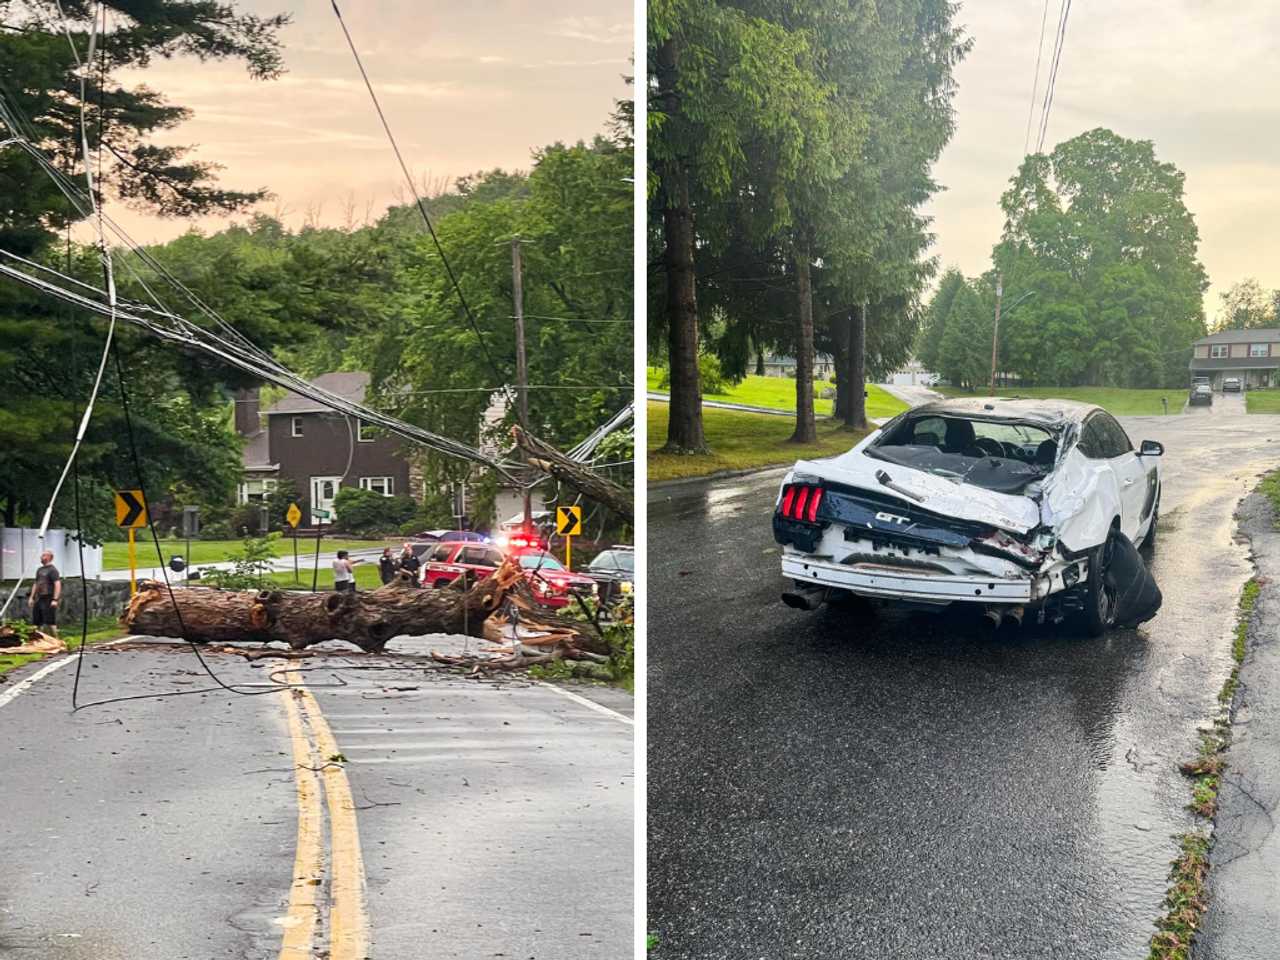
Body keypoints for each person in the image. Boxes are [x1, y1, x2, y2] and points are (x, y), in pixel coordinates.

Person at [28, 550, 61, 637]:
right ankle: (38, 641)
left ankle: (57, 642)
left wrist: (55, 599)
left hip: (48, 598)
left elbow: (57, 584)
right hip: (39, 598)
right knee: (37, 622)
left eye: (43, 555)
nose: (41, 557)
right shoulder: (39, 570)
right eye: (42, 555)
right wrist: (31, 597)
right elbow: (36, 583)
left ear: (50, 557)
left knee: (50, 622)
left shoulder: (53, 570)